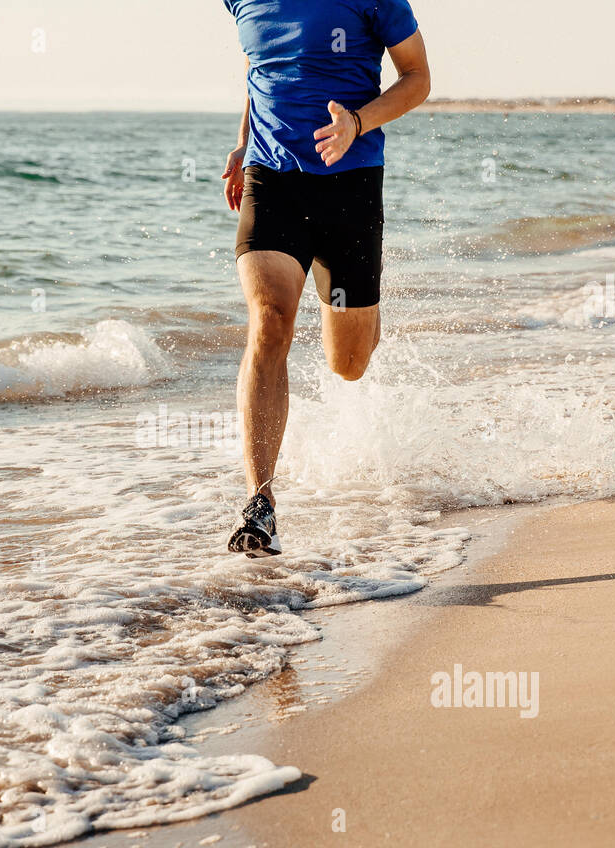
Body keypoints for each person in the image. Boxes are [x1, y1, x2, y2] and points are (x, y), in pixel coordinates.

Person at [221, 0, 431, 556]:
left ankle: (339, 290)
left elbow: (418, 76)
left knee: (349, 364)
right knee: (269, 322)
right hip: (271, 181)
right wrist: (245, 140)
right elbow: (258, 67)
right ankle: (259, 504)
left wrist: (358, 122)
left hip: (350, 183)